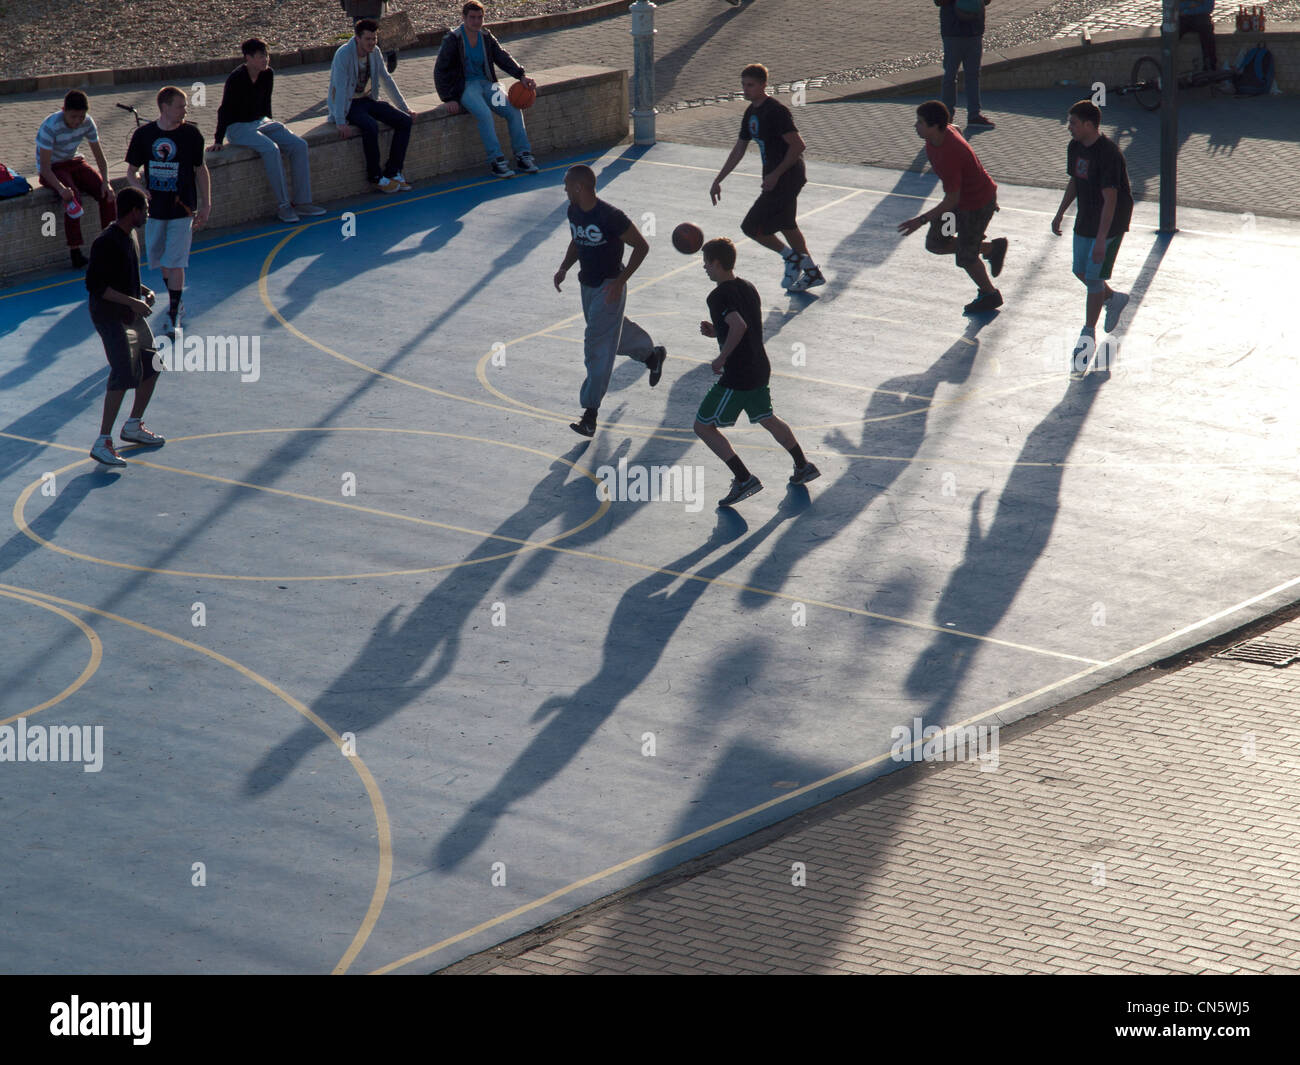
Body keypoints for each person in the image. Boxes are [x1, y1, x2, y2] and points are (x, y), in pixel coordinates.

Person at [693, 237, 819, 508]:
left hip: (738, 374)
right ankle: (802, 465)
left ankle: (743, 478)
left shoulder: (717, 296)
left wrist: (721, 357)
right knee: (767, 417)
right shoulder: (748, 287)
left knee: (703, 425)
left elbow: (738, 326)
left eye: (706, 263)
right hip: (760, 366)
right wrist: (717, 332)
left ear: (717, 263)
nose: (704, 268)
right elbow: (745, 325)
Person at [552, 164, 667, 438]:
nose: (564, 189)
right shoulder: (573, 210)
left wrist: (620, 281)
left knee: (597, 346)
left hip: (608, 287)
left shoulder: (610, 216)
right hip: (587, 285)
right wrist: (564, 268)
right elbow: (576, 242)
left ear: (579, 187)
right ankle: (652, 355)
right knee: (612, 334)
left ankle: (590, 414)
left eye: (567, 184)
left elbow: (642, 246)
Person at [710, 63, 824, 293]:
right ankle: (812, 273)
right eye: (743, 85)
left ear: (763, 85)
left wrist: (775, 174)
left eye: (750, 85)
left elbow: (798, 146)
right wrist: (718, 179)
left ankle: (792, 258)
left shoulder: (776, 112)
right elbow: (739, 149)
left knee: (751, 226)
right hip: (776, 177)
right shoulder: (751, 112)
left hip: (788, 176)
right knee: (788, 225)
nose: (746, 89)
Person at [897, 100, 1007, 315]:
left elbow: (951, 200)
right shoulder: (943, 132)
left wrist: (919, 221)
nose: (915, 126)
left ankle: (989, 294)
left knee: (966, 257)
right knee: (936, 243)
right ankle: (991, 249)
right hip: (960, 203)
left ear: (935, 125)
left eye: (920, 122)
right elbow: (955, 128)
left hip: (975, 205)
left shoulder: (950, 154)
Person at [1050, 100, 1133, 376]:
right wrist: (1060, 212)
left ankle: (1086, 338)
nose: (1069, 127)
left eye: (1073, 122)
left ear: (1088, 124)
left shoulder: (1108, 154)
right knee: (1080, 270)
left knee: (1094, 278)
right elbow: (1075, 181)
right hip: (1086, 217)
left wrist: (1101, 240)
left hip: (1110, 223)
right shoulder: (1074, 147)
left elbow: (1111, 200)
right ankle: (1113, 299)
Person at [85, 186, 163, 467]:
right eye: (146, 210)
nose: (148, 214)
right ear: (134, 212)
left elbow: (123, 274)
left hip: (130, 312)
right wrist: (132, 302)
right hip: (110, 316)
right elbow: (96, 286)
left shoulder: (130, 236)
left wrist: (142, 290)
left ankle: (133, 425)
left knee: (152, 364)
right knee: (122, 373)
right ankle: (103, 441)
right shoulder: (106, 242)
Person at [125, 86, 210, 338]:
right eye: (180, 106)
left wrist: (205, 205)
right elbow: (131, 172)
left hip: (182, 209)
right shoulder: (144, 135)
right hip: (154, 210)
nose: (185, 110)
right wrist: (140, 189)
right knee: (161, 259)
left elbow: (201, 170)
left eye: (185, 106)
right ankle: (177, 299)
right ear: (164, 107)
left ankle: (174, 310)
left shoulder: (191, 135)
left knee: (175, 260)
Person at [210, 38, 325, 223]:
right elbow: (224, 110)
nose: (266, 59)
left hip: (260, 122)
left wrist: (270, 124)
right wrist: (217, 140)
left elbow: (266, 104)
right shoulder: (236, 78)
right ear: (248, 58)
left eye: (267, 55)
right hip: (237, 127)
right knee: (271, 149)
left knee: (299, 145)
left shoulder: (268, 74)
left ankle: (303, 202)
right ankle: (284, 206)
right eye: (261, 56)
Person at [434, 1, 539, 178]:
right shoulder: (453, 39)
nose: (476, 21)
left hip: (487, 84)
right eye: (472, 17)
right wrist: (448, 98)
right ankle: (496, 160)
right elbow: (440, 70)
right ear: (464, 18)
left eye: (480, 17)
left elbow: (502, 56)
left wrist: (521, 76)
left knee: (513, 110)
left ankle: (523, 155)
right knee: (484, 114)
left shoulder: (485, 36)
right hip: (466, 87)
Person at [328, 17, 413, 193]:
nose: (372, 42)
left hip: (368, 100)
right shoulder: (343, 55)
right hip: (349, 104)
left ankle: (393, 171)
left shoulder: (375, 52)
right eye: (367, 39)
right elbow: (340, 89)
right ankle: (375, 177)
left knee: (404, 121)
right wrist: (340, 121)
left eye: (374, 39)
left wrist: (404, 108)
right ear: (357, 38)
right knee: (370, 126)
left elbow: (387, 80)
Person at [35, 90, 116, 271]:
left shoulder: (87, 122)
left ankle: (110, 244)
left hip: (74, 161)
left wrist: (106, 182)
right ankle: (75, 251)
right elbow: (45, 168)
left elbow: (100, 157)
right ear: (64, 110)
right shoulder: (50, 127)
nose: (77, 121)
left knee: (107, 195)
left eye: (81, 116)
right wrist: (61, 189)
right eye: (73, 117)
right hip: (54, 167)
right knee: (73, 198)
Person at [935, 0, 995, 129]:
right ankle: (947, 116)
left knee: (973, 75)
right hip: (953, 32)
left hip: (973, 31)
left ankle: (974, 115)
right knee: (950, 76)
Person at [1178, 0, 1218, 73]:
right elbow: (1172, 6)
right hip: (1182, 18)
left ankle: (1210, 66)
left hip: (1200, 17)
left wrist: (1187, 11)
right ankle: (1169, 66)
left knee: (1206, 28)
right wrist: (1189, 5)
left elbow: (1208, 8)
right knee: (1169, 32)